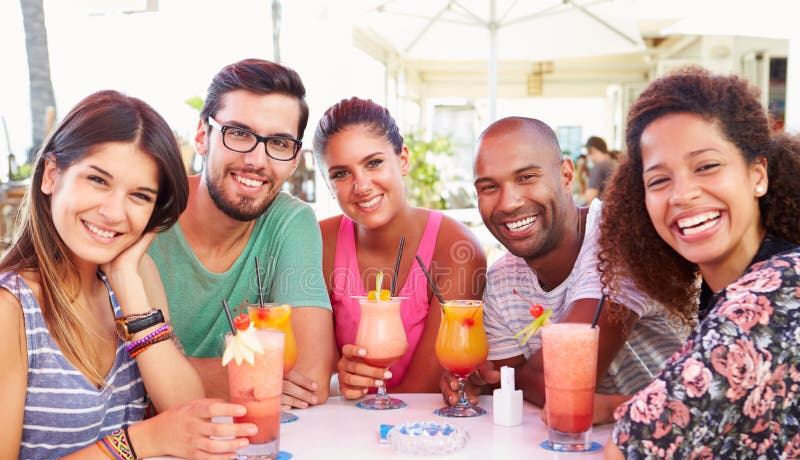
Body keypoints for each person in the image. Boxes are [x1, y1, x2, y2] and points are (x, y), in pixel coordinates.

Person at [0, 90, 256, 460]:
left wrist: (126, 280)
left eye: (139, 195)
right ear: (51, 175)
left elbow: (185, 409)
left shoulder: (133, 282)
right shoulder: (11, 309)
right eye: (97, 180)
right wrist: (137, 441)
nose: (114, 212)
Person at [601, 68, 800, 460]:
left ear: (757, 174)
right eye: (658, 180)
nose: (683, 195)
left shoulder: (772, 295)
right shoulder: (733, 290)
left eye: (706, 166)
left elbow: (623, 456)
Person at [440, 117, 683, 424]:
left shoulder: (617, 243)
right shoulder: (502, 279)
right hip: (569, 457)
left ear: (567, 176)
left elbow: (563, 379)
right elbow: (507, 381)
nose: (509, 202)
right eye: (489, 187)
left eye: (526, 177)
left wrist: (504, 379)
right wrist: (485, 380)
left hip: (668, 446)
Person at [147, 59, 334, 407]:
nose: (256, 160)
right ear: (203, 136)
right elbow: (112, 379)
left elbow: (309, 379)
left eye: (278, 143)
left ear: (294, 160)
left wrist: (160, 373)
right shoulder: (148, 212)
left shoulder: (290, 222)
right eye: (238, 133)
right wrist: (260, 375)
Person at [314, 97, 486, 398]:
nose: (361, 185)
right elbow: (318, 374)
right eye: (340, 174)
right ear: (328, 185)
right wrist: (339, 381)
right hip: (345, 429)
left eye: (374, 163)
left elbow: (422, 389)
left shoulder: (456, 248)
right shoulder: (319, 243)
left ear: (403, 159)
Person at [583, 135, 616, 202]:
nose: (588, 158)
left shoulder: (599, 166)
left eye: (588, 153)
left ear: (593, 150)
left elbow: (590, 197)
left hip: (604, 210)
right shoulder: (615, 163)